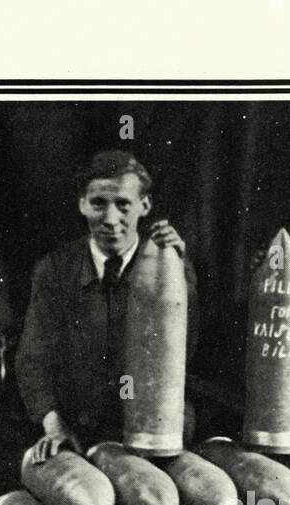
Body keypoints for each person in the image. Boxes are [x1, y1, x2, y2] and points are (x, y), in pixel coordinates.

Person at [16, 150, 198, 463]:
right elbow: (33, 358)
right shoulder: (56, 270)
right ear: (82, 204)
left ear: (145, 206)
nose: (111, 220)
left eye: (123, 204)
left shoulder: (173, 267)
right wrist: (53, 425)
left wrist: (177, 277)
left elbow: (186, 350)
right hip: (77, 431)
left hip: (154, 433)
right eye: (99, 203)